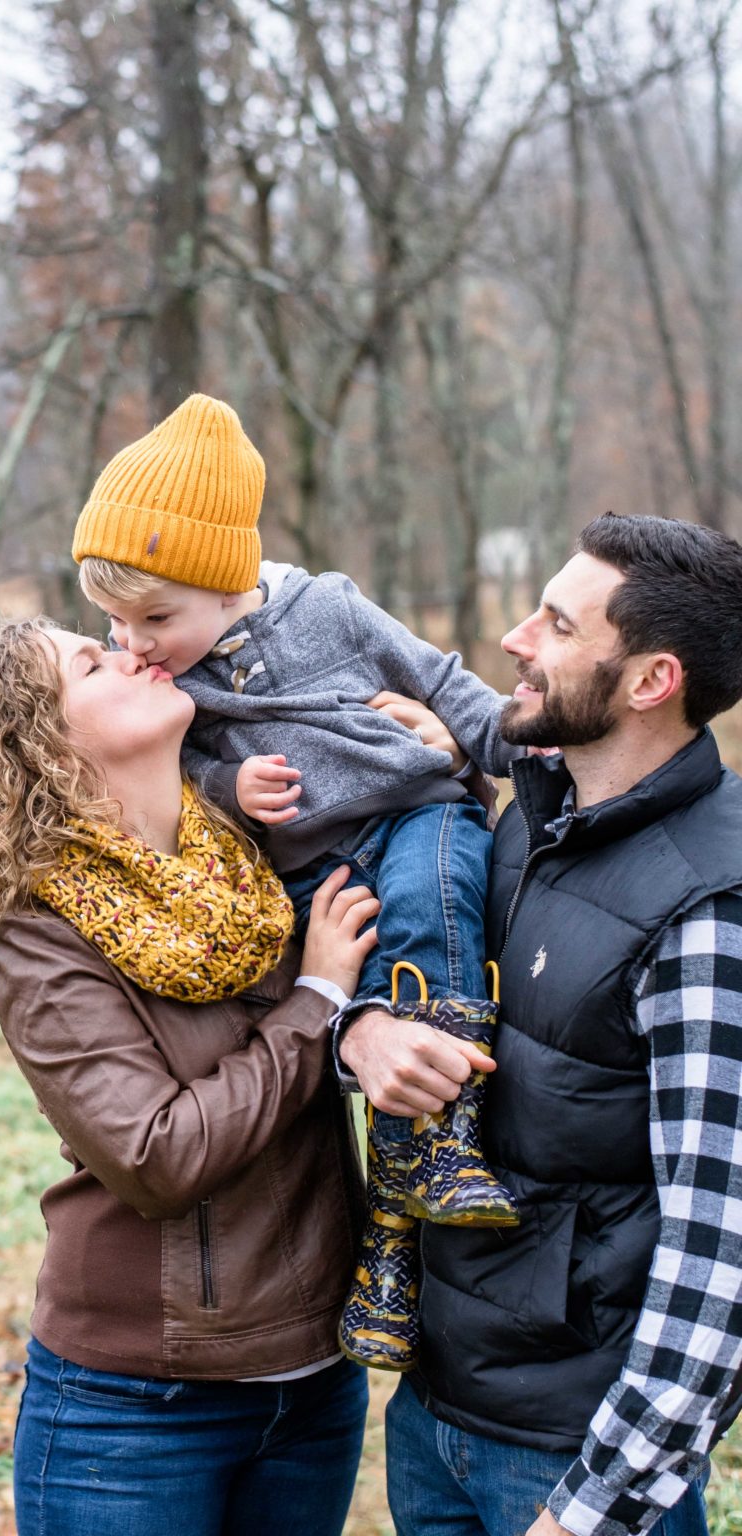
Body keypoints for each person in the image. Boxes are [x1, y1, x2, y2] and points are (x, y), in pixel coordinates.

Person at [72, 392, 521, 1371]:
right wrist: (229, 780)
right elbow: (171, 772)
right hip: (308, 865)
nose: (133, 644)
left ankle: (428, 1157)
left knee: (432, 914)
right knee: (357, 974)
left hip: (411, 809)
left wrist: (522, 753)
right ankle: (394, 1228)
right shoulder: (157, 677)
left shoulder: (331, 612)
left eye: (155, 616)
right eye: (111, 621)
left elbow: (443, 681)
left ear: (229, 585)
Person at [0, 613, 387, 1536]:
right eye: (92, 663)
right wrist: (319, 997)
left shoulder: (257, 854)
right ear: (44, 746)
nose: (131, 649)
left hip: (318, 1378)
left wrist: (438, 731)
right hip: (135, 1407)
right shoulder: (42, 931)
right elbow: (156, 1154)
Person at [341, 512, 742, 1536]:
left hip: (570, 1466)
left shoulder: (711, 907)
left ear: (651, 681)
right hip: (435, 1418)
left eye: (557, 626)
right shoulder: (529, 816)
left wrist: (592, 1509)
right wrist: (363, 1034)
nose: (515, 640)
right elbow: (417, 988)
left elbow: (722, 1256)